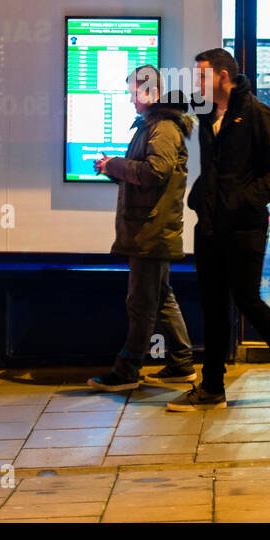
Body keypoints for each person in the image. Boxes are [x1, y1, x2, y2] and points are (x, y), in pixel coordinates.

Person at [167, 48, 270, 411]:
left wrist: (242, 199)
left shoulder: (258, 115)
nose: (197, 82)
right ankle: (212, 387)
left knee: (247, 300)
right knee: (212, 307)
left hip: (244, 227)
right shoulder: (209, 112)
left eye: (201, 75)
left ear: (222, 77)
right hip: (209, 226)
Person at [88, 65, 197, 391]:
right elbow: (148, 173)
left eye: (133, 93)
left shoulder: (162, 127)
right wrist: (112, 168)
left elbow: (155, 172)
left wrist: (114, 165)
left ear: (150, 92)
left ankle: (127, 371)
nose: (131, 99)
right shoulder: (154, 125)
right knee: (161, 298)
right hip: (150, 228)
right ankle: (180, 364)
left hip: (151, 230)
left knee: (141, 304)